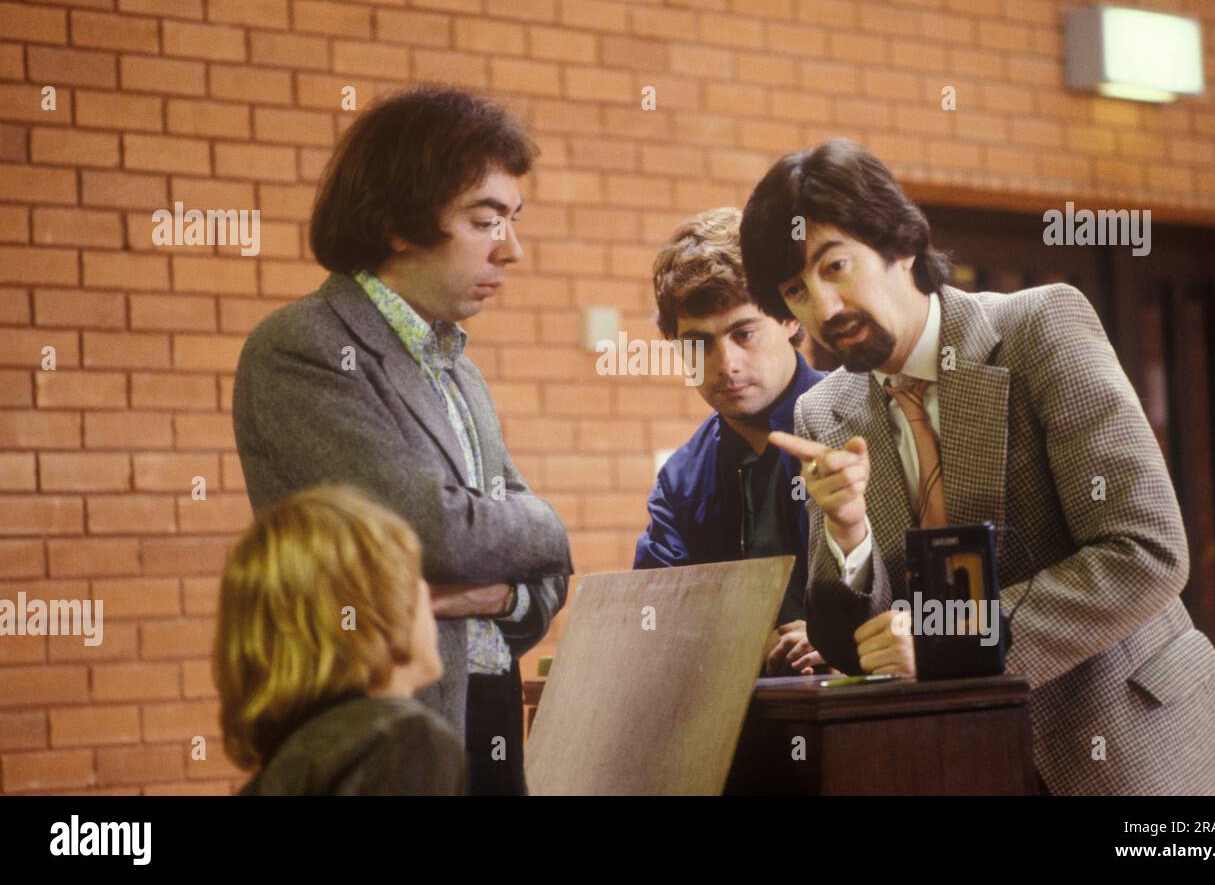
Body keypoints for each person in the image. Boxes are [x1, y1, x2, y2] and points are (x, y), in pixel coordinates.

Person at [740, 137, 1215, 795]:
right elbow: (853, 647)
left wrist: (950, 642)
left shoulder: (1040, 327)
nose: (823, 307)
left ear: (898, 243)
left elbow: (1146, 550)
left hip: (1136, 749)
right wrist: (847, 532)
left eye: (835, 266)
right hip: (967, 763)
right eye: (796, 291)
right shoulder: (825, 413)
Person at [232, 84, 571, 795]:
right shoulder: (305, 347)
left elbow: (550, 581)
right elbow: (430, 531)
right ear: (396, 223)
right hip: (380, 741)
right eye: (486, 221)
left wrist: (491, 595)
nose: (511, 249)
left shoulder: (461, 369)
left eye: (513, 220)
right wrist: (544, 524)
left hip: (489, 718)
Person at [633, 207, 828, 676]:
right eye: (699, 343)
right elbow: (652, 625)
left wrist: (842, 632)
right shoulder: (681, 478)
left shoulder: (866, 423)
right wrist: (751, 642)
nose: (727, 365)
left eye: (744, 333)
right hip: (739, 728)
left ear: (788, 317)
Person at [215, 484, 464, 796]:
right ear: (380, 605)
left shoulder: (288, 764)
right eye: (414, 575)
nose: (427, 591)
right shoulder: (403, 741)